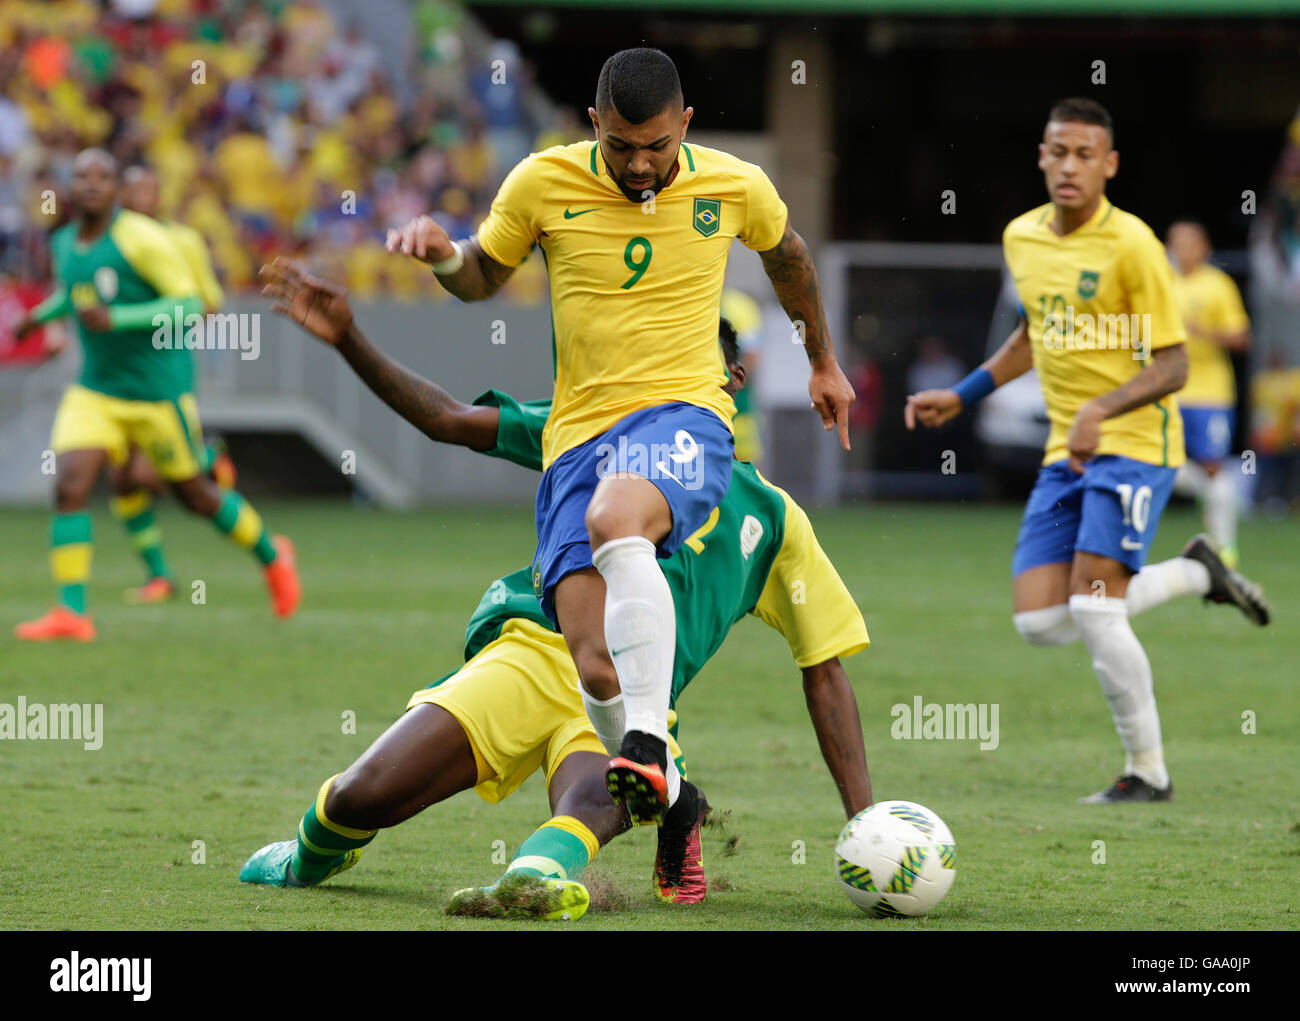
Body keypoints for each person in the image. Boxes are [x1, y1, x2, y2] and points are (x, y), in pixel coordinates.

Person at [240, 259, 870, 918]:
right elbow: (450, 420)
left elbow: (823, 669)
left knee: (604, 794)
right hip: (533, 653)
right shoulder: (590, 429)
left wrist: (866, 825)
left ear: (731, 380)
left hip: (631, 704)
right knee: (361, 796)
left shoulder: (774, 520)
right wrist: (348, 339)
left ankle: (534, 877)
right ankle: (311, 852)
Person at [385, 48, 855, 827]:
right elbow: (482, 277)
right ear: (595, 124)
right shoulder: (542, 182)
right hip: (577, 442)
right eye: (622, 146)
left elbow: (789, 257)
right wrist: (443, 258)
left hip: (685, 415)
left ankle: (644, 733)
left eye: (658, 147)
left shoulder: (737, 185)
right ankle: (672, 792)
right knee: (592, 661)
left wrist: (824, 362)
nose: (641, 164)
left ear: (686, 127)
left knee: (616, 517)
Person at [905, 99, 1270, 804]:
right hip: (1066, 447)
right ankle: (1199, 574)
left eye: (1084, 155)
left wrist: (1099, 409)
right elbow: (1031, 333)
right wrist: (965, 391)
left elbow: (1173, 365)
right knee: (1041, 621)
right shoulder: (1022, 237)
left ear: (1110, 165)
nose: (1069, 166)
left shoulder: (1133, 245)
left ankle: (1148, 773)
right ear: (1041, 156)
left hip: (1133, 443)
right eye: (1057, 152)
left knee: (1098, 609)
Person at [13, 149, 300, 642]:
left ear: (116, 190)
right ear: (69, 184)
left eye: (102, 176)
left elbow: (190, 304)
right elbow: (76, 293)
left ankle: (273, 557)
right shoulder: (64, 243)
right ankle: (71, 611)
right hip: (97, 390)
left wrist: (119, 318)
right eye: (81, 175)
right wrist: (36, 319)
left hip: (157, 394)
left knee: (196, 495)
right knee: (70, 485)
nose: (90, 184)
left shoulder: (144, 239)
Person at [1166, 220, 1251, 566]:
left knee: (1214, 465)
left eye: (1189, 242)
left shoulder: (1218, 284)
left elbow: (1242, 338)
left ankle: (1225, 548)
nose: (1181, 249)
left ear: (1205, 248)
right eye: (1175, 242)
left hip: (1210, 394)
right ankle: (1215, 495)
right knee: (1158, 459)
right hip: (1168, 389)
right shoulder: (1160, 283)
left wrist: (1201, 332)